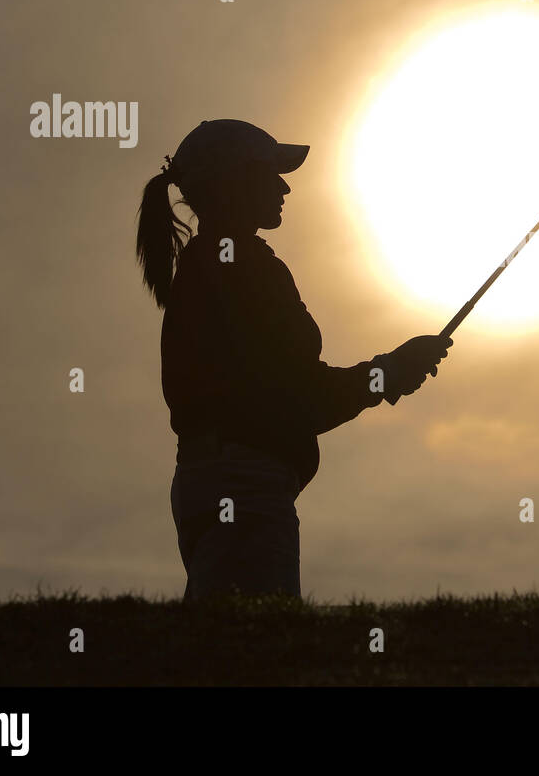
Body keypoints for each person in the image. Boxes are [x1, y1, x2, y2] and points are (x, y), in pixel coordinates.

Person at [135, 119, 451, 600]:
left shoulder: (215, 265)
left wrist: (385, 375)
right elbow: (294, 395)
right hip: (245, 486)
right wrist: (385, 375)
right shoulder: (238, 267)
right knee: (248, 654)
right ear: (233, 183)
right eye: (268, 173)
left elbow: (285, 391)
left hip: (219, 478)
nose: (284, 186)